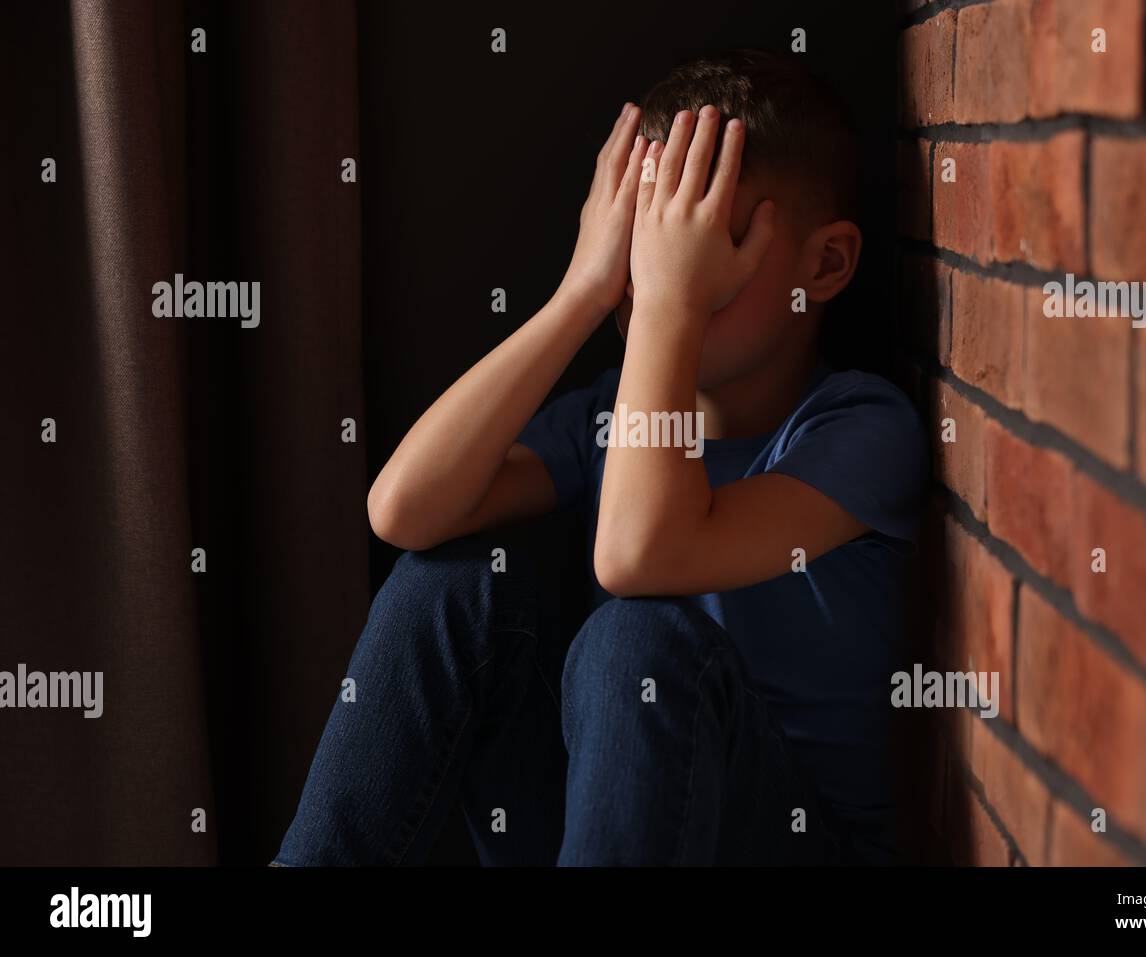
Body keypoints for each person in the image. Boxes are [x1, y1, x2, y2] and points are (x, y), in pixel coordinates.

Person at [272, 49, 927, 867]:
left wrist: (666, 301)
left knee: (636, 638)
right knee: (453, 579)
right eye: (638, 251)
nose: (645, 285)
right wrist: (582, 289)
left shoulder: (862, 429)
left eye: (697, 257)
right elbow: (403, 509)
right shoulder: (607, 415)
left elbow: (639, 554)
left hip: (792, 841)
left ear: (823, 265)